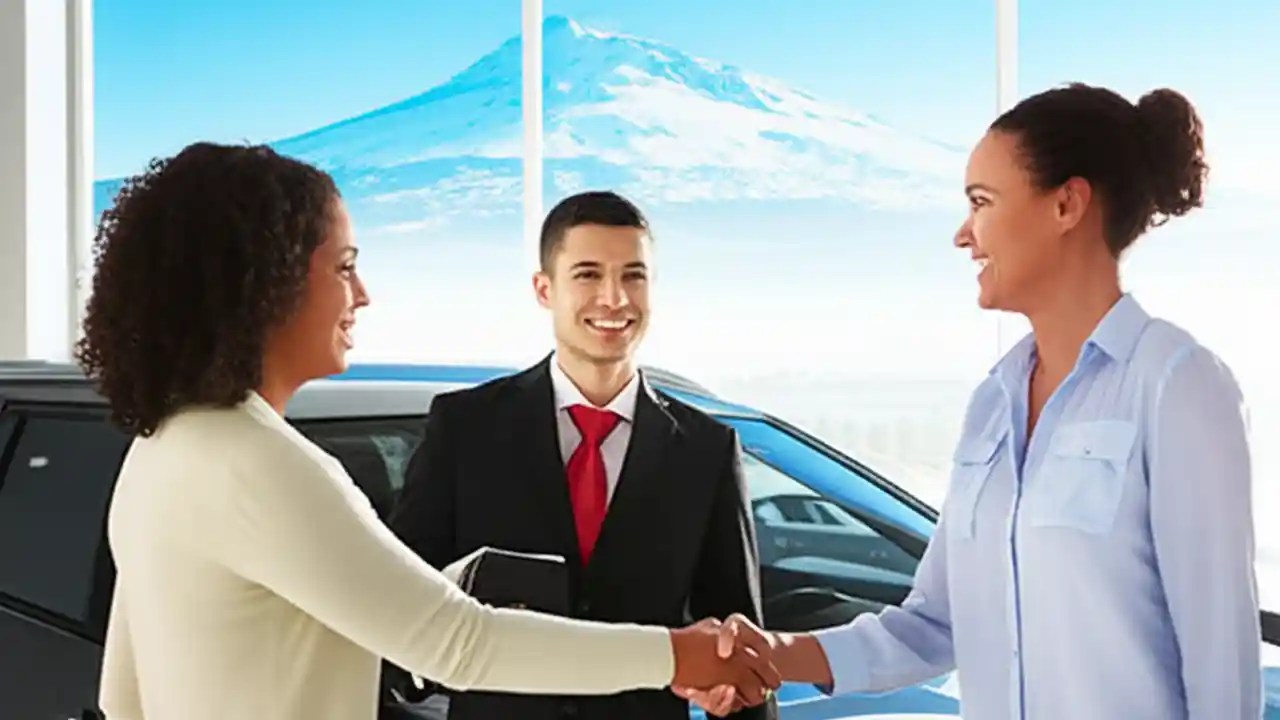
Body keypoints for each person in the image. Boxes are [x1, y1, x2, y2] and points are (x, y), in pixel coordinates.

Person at [77, 143, 780, 720]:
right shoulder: (264, 467)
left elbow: (123, 695)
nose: (363, 294)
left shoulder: (159, 450)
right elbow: (458, 643)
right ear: (266, 282)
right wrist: (676, 655)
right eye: (345, 267)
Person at [678, 83, 1262, 719]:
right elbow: (935, 623)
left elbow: (1221, 671)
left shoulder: (1177, 385)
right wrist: (771, 654)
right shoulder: (994, 399)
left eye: (981, 202)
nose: (964, 234)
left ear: (1067, 204)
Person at [384, 190, 775, 720]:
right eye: (588, 274)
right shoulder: (465, 428)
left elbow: (737, 644)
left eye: (633, 276)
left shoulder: (706, 450)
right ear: (544, 289)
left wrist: (732, 694)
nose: (614, 298)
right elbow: (402, 609)